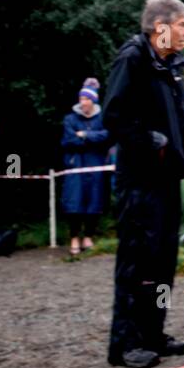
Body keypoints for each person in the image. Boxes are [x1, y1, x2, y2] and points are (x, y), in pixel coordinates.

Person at [102, 0, 184, 368]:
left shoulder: (169, 64)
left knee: (163, 262)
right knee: (137, 262)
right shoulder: (133, 59)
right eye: (183, 24)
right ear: (161, 27)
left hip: (166, 178)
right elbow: (115, 117)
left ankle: (153, 333)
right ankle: (125, 344)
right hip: (140, 180)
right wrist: (151, 143)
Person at [61, 77, 110, 256]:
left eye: (87, 99)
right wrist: (89, 139)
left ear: (93, 100)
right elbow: (68, 141)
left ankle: (88, 235)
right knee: (75, 201)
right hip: (76, 164)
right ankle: (74, 237)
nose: (83, 103)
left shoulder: (102, 118)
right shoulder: (70, 119)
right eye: (81, 99)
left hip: (96, 164)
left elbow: (106, 136)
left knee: (94, 200)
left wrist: (85, 135)